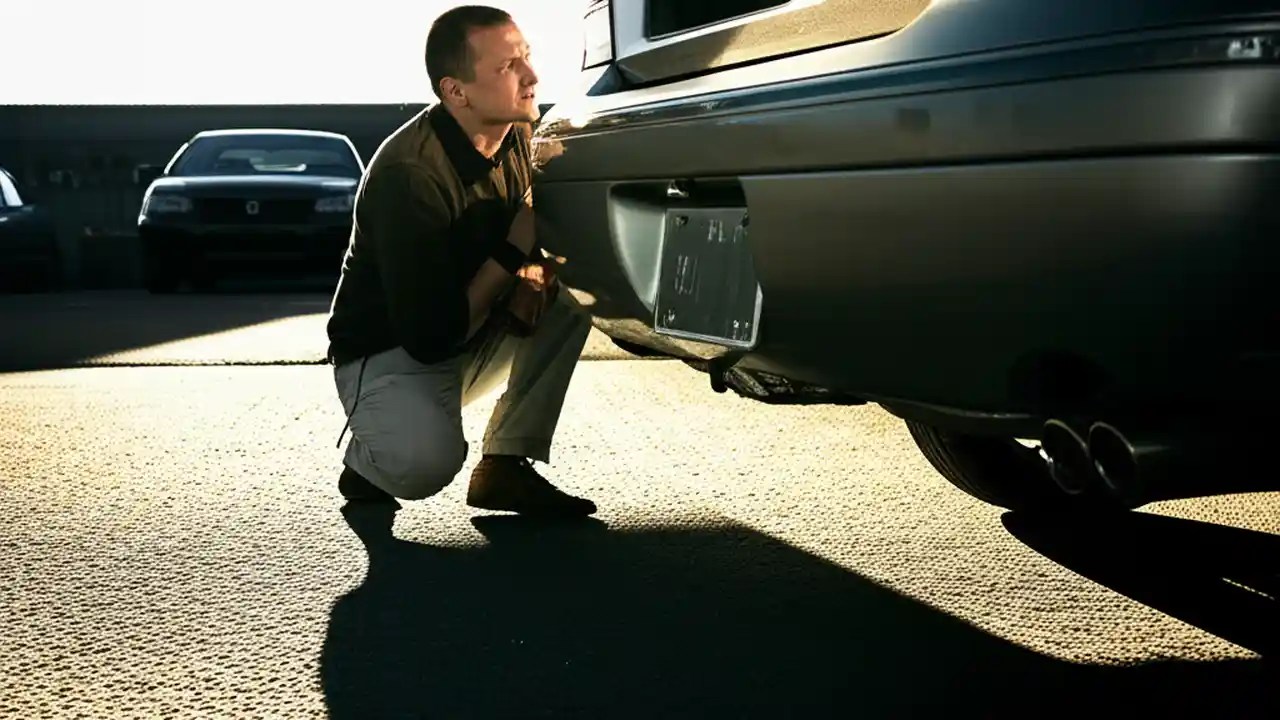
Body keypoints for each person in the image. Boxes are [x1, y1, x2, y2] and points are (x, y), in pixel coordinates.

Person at [325, 5, 595, 517]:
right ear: (456, 92)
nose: (531, 77)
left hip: (466, 330)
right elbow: (428, 337)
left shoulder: (517, 134)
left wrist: (536, 269)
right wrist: (515, 249)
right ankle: (369, 460)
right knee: (425, 466)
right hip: (392, 352)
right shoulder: (410, 175)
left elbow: (541, 239)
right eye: (506, 67)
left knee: (575, 288)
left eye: (527, 58)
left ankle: (506, 467)